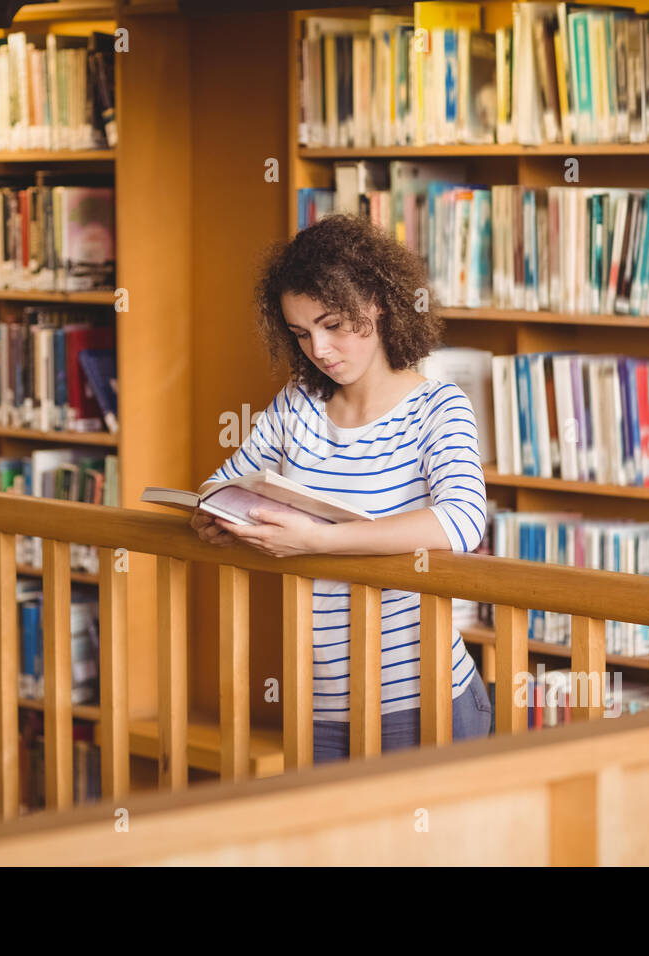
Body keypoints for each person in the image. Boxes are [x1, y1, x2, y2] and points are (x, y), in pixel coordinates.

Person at [191, 214, 493, 763]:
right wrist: (213, 512)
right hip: (320, 698)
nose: (319, 349)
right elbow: (227, 478)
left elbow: (462, 521)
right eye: (301, 333)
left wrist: (317, 542)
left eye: (332, 324)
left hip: (422, 695)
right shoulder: (297, 403)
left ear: (376, 303)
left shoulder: (437, 407)